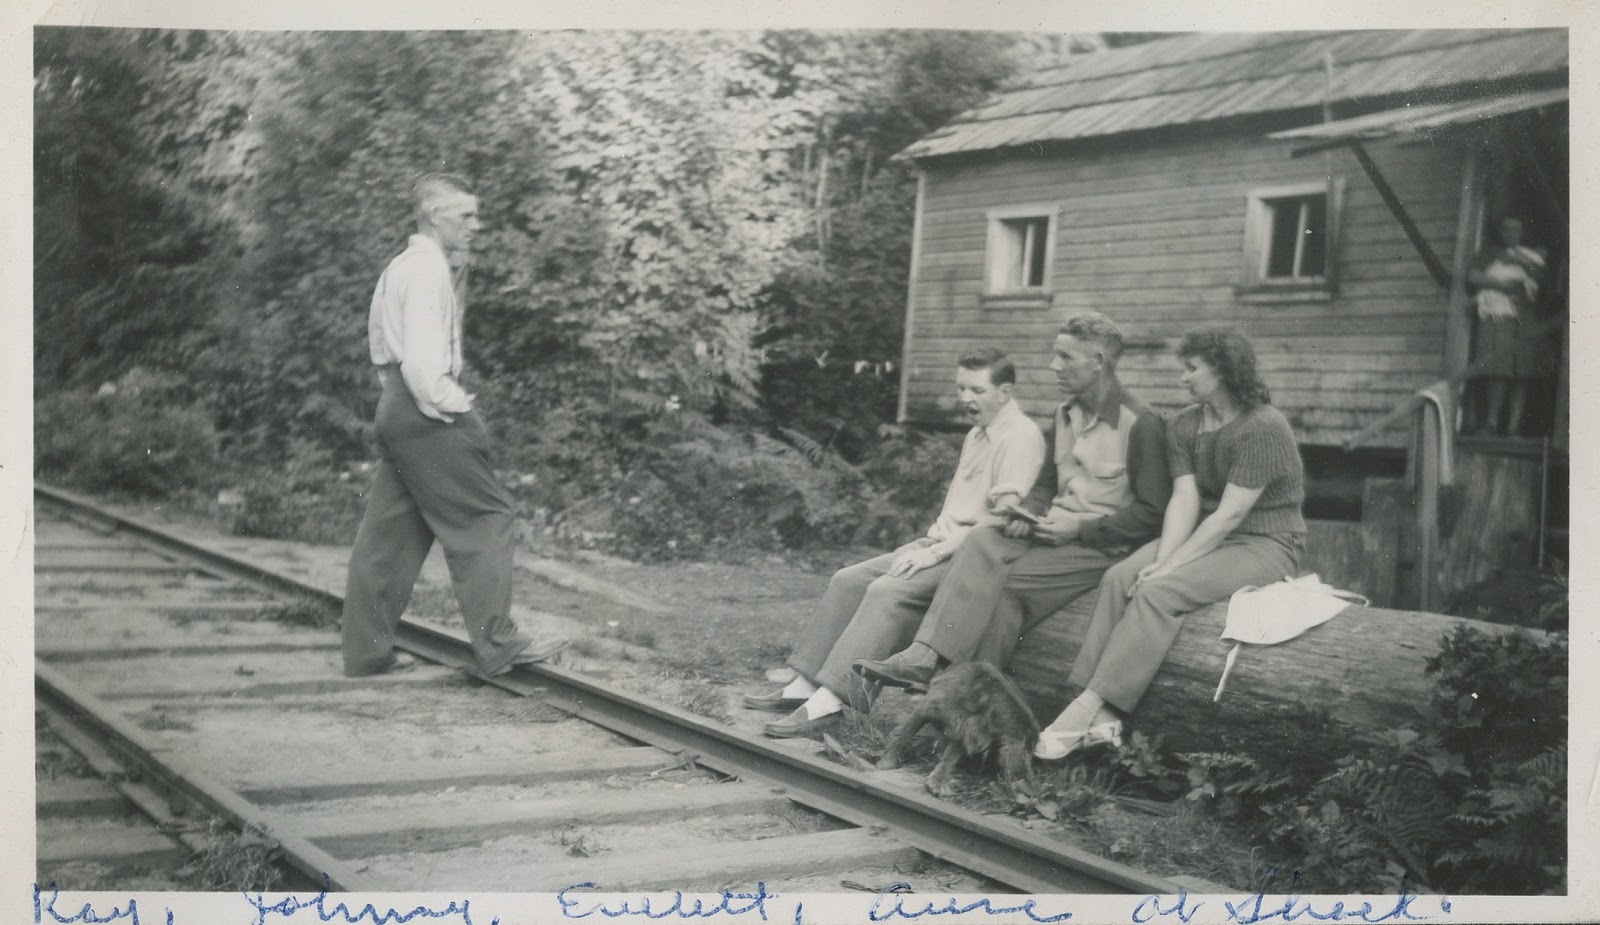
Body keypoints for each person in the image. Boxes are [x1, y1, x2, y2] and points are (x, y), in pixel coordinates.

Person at [852, 312, 1170, 692]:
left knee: (1007, 585)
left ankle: (961, 699)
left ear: (1098, 361)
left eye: (1065, 357)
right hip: (1052, 532)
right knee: (982, 536)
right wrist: (1029, 512)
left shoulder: (1142, 422)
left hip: (1100, 546)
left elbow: (1153, 513)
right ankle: (925, 656)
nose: (1054, 366)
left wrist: (1080, 528)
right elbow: (1045, 486)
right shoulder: (1064, 413)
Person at [1034, 326, 1305, 760]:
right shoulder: (1184, 424)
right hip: (1208, 535)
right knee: (1121, 576)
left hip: (1264, 542)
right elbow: (1184, 499)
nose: (1184, 377)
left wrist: (1169, 568)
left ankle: (1085, 708)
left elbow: (1231, 514)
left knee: (1159, 592)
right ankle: (1100, 717)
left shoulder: (1264, 427)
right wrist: (1163, 557)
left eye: (1192, 368)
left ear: (1222, 371)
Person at [746, 348, 1047, 738]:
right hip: (937, 543)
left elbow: (1000, 518)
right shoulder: (978, 432)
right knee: (848, 579)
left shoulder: (1021, 437)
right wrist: (927, 546)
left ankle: (832, 702)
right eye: (960, 388)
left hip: (969, 557)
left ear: (1005, 392)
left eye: (976, 390)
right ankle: (802, 686)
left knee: (887, 591)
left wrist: (934, 553)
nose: (965, 399)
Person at [341, 173, 566, 678]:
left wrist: (404, 400)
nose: (476, 225)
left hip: (398, 406)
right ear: (434, 214)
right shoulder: (427, 272)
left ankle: (365, 652)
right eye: (466, 216)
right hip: (428, 409)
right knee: (487, 517)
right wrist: (456, 406)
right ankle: (497, 644)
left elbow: (384, 352)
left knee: (390, 534)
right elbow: (424, 366)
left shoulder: (401, 267)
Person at [1466, 215, 1548, 436]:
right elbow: (1473, 277)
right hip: (1501, 313)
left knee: (1523, 370)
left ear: (1522, 233)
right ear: (1500, 232)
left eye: (1517, 229)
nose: (1512, 234)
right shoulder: (1489, 253)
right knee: (1498, 369)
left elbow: (1541, 278)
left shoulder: (1528, 255)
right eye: (1507, 229)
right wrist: (1501, 286)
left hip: (1526, 315)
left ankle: (1514, 426)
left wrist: (1520, 262)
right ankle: (1491, 423)